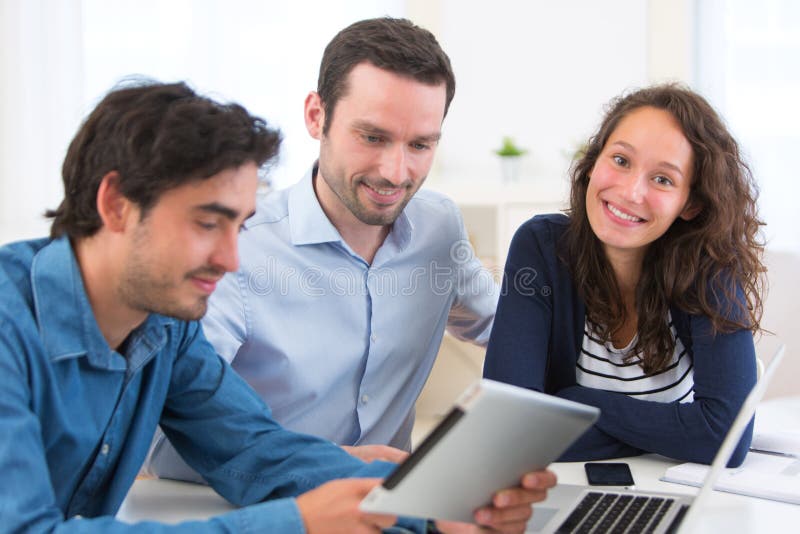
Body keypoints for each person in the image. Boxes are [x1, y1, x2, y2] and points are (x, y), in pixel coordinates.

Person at [0, 80, 555, 533]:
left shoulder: (165, 325)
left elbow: (255, 448)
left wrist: (433, 505)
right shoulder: (9, 325)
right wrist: (296, 523)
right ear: (116, 204)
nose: (231, 260)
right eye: (206, 224)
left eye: (238, 227)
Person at [146, 16, 498, 480]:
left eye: (420, 144)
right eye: (372, 137)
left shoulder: (439, 227)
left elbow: (505, 327)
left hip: (386, 512)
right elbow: (169, 437)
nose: (396, 172)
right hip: (260, 508)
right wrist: (329, 466)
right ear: (317, 116)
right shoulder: (238, 246)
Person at [483, 84, 765, 467]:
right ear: (595, 160)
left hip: (668, 492)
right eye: (620, 160)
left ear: (691, 203)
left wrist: (579, 402)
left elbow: (725, 438)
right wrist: (676, 436)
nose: (631, 192)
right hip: (562, 489)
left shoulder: (708, 265)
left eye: (663, 179)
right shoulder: (542, 247)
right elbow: (507, 429)